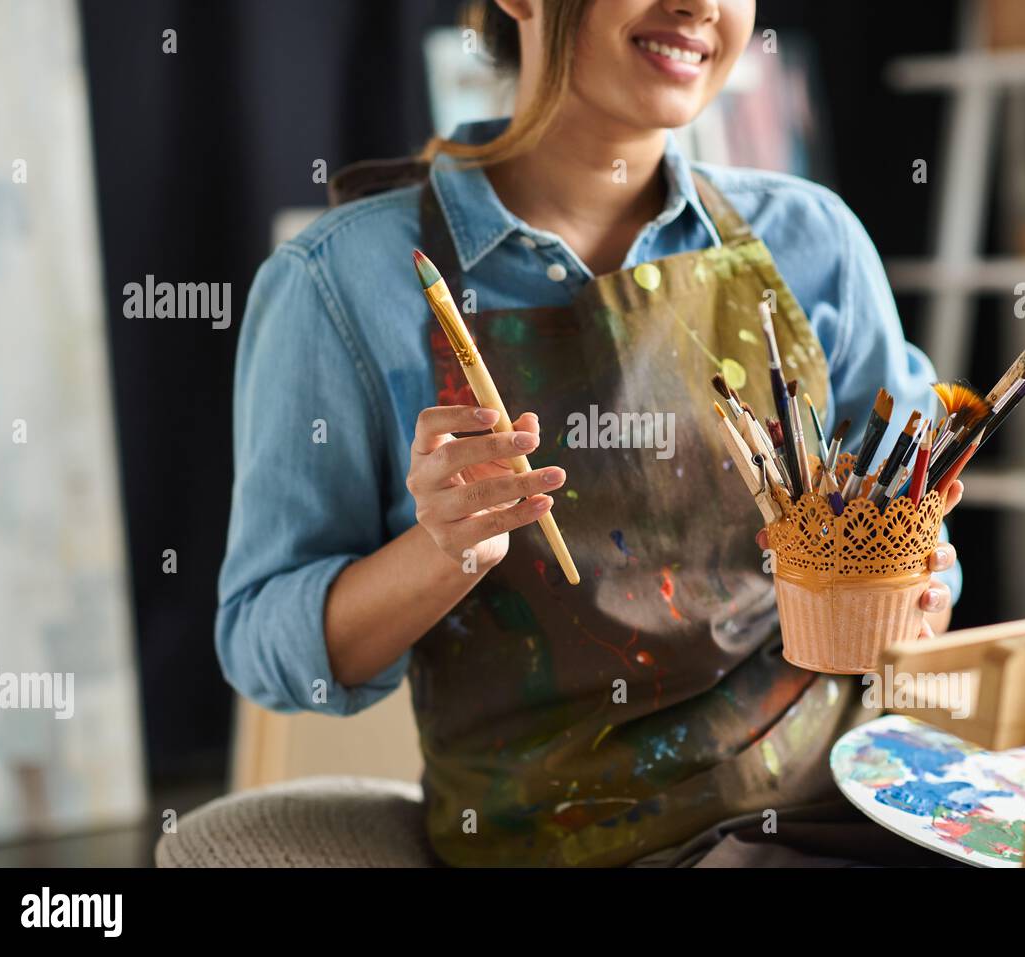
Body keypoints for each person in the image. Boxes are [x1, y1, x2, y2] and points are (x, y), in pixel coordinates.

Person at [217, 0, 963, 867]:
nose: (699, 7)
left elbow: (924, 540)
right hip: (572, 843)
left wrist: (910, 581)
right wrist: (440, 552)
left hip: (856, 797)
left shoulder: (813, 241)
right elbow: (262, 641)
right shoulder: (340, 284)